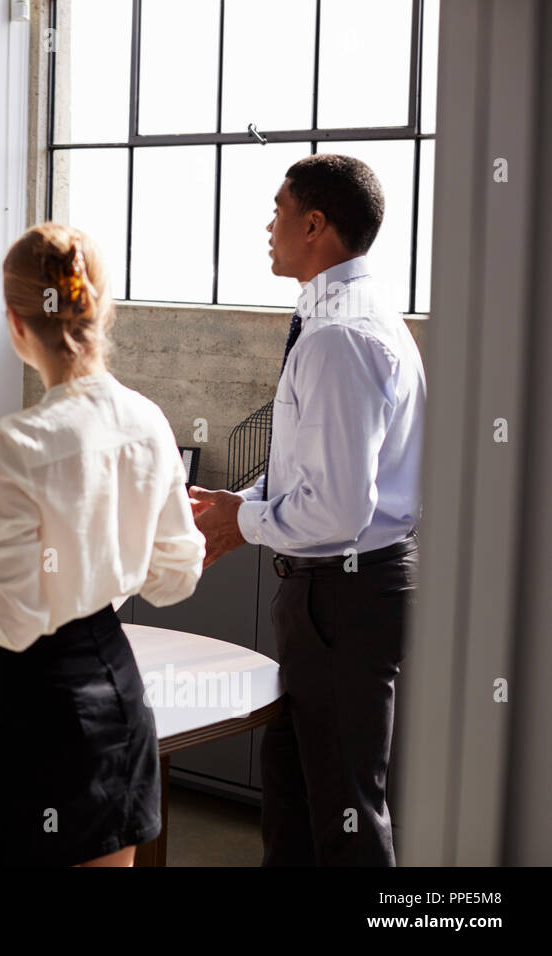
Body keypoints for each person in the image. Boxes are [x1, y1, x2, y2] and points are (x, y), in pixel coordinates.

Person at [0, 223, 204, 867]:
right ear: (102, 308)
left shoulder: (16, 446)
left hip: (30, 707)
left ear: (15, 324)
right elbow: (174, 578)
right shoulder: (147, 420)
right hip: (115, 691)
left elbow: (9, 621)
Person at [190, 154, 426, 866]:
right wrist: (247, 504)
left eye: (278, 210)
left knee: (345, 814)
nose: (268, 226)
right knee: (295, 799)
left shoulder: (339, 337)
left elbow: (341, 509)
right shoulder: (342, 318)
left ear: (315, 224)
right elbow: (310, 465)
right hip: (334, 593)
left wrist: (245, 522)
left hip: (343, 593)